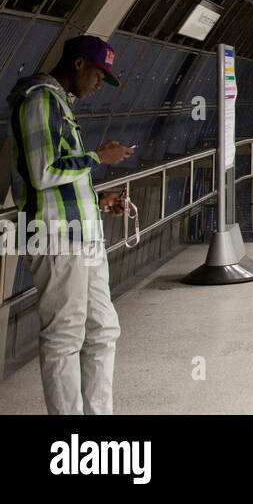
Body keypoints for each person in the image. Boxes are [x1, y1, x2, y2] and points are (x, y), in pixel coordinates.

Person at [7, 35, 134, 414]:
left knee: (103, 330)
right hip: (57, 237)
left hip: (83, 236)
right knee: (65, 336)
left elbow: (71, 184)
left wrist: (107, 204)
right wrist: (96, 156)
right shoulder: (40, 100)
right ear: (78, 64)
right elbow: (43, 172)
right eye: (99, 75)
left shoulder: (61, 105)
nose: (100, 85)